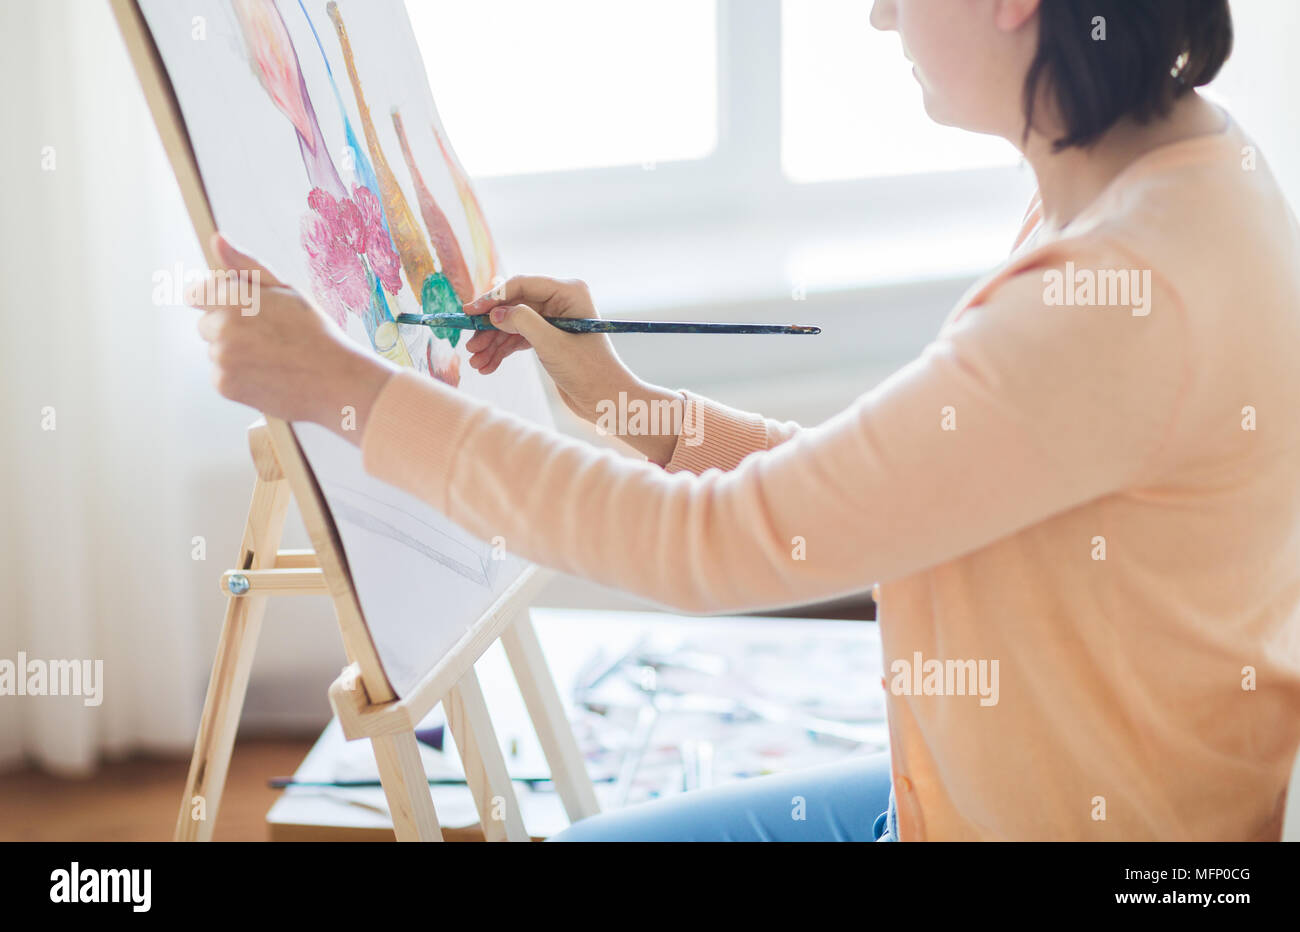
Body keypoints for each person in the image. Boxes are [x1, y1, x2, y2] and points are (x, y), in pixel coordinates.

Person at [187, 0, 1300, 840]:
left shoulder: (1116, 292)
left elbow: (717, 545)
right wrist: (619, 398)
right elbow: (873, 497)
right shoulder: (1175, 173)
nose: (877, 14)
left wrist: (351, 390)